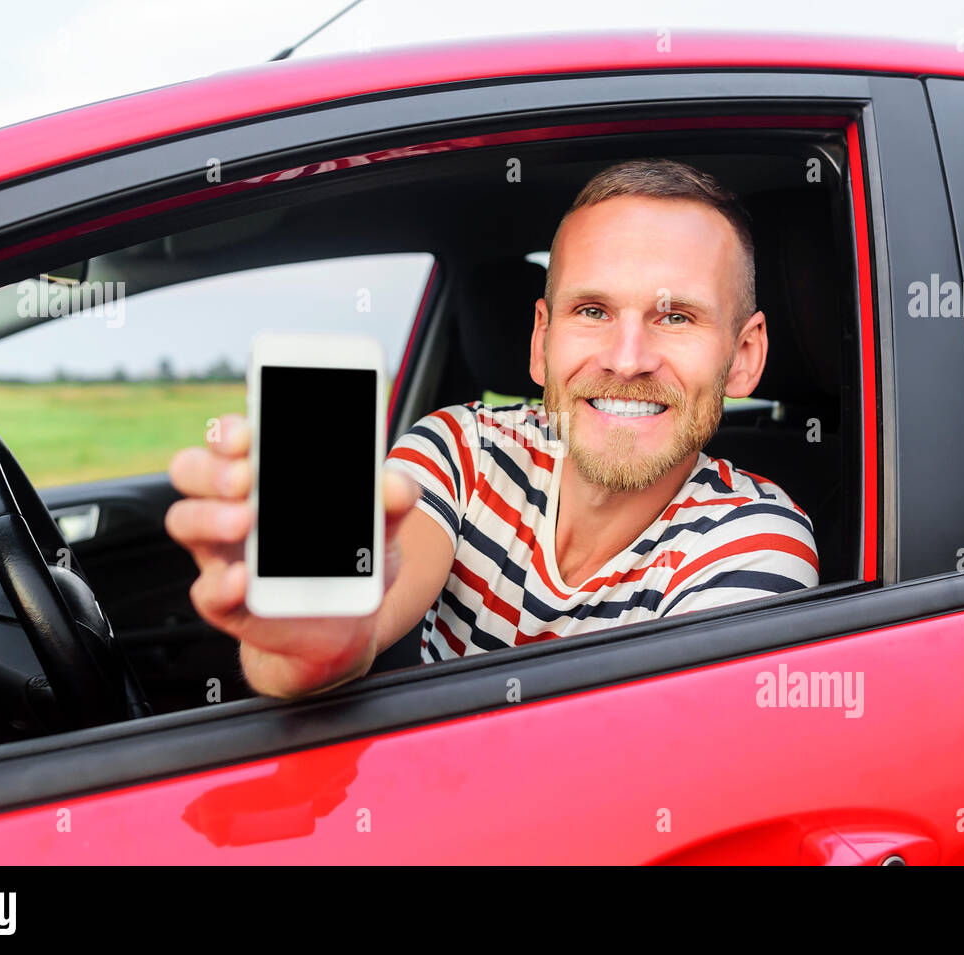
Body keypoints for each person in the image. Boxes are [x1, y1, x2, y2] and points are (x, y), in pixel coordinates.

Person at [165, 159, 819, 699]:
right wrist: (318, 640)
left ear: (744, 355)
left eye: (676, 319)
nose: (627, 358)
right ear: (541, 341)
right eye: (592, 310)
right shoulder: (464, 446)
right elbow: (354, 622)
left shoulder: (755, 546)